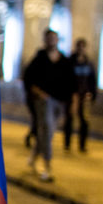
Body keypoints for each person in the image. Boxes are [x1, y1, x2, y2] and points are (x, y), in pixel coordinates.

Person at [21, 28, 70, 182]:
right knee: (47, 130)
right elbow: (28, 78)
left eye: (54, 38)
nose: (52, 41)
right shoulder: (40, 58)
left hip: (59, 101)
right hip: (44, 101)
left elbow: (71, 81)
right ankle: (47, 166)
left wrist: (72, 101)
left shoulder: (63, 59)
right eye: (49, 39)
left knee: (48, 134)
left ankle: (33, 157)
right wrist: (38, 92)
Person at [64, 36, 97, 152]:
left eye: (83, 47)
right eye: (79, 47)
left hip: (84, 96)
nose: (81, 49)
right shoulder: (70, 62)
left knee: (84, 121)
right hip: (72, 96)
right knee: (69, 119)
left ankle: (82, 145)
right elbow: (66, 79)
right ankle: (67, 144)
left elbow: (92, 80)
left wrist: (92, 94)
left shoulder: (88, 63)